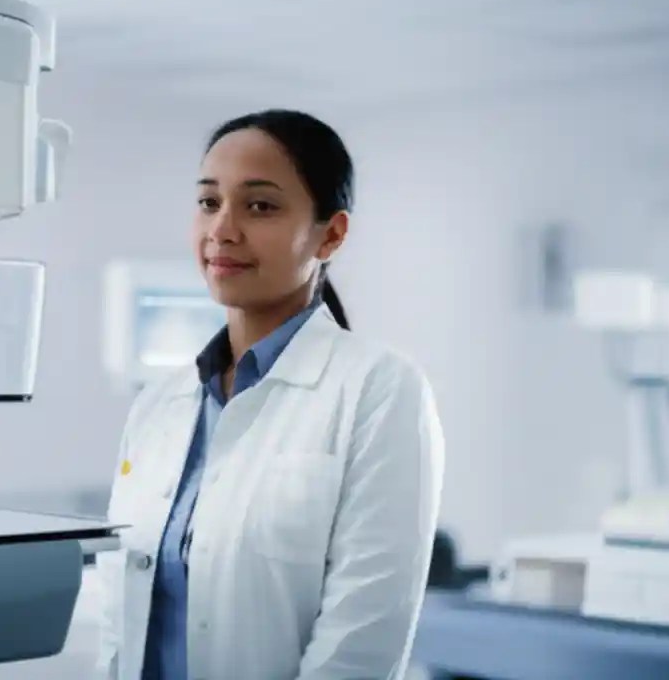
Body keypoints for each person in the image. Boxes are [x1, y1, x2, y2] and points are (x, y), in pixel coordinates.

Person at [94, 109, 445, 680]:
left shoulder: (379, 390)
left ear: (331, 234)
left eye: (260, 206)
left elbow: (362, 638)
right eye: (210, 202)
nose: (222, 230)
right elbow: (121, 617)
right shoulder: (160, 405)